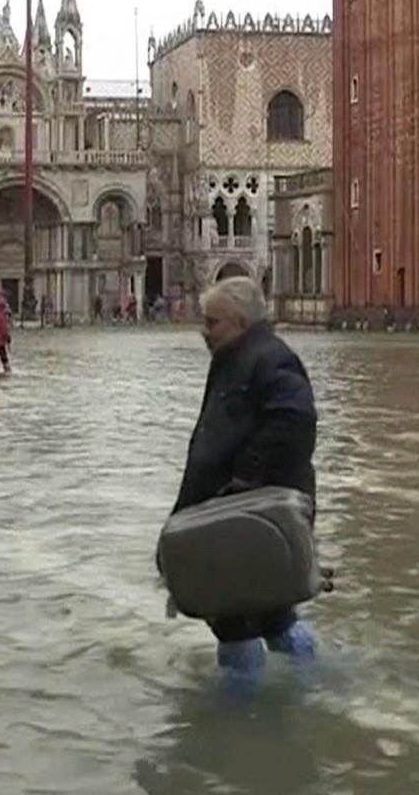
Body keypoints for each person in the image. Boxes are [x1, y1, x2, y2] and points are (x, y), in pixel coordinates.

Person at [168, 277, 318, 688]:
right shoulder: (240, 358)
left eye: (212, 322)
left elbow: (295, 421)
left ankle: (239, 712)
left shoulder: (269, 359)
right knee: (272, 614)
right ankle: (316, 682)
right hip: (239, 513)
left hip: (246, 517)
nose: (204, 330)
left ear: (239, 322)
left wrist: (245, 480)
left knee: (233, 617)